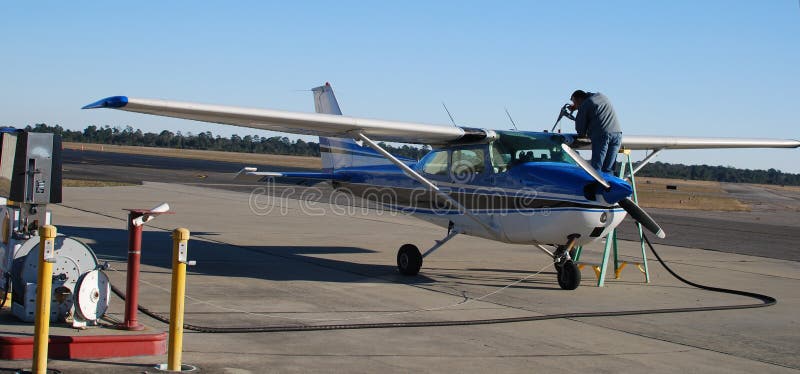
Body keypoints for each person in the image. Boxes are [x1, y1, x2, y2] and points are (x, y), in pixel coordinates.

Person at [569, 90, 622, 174]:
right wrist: (578, 107)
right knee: (609, 168)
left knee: (597, 168)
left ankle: (597, 186)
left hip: (602, 135)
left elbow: (580, 129)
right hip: (617, 134)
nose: (574, 105)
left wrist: (580, 109)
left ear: (579, 99)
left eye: (574, 102)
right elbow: (594, 106)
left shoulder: (585, 104)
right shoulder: (601, 96)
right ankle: (609, 185)